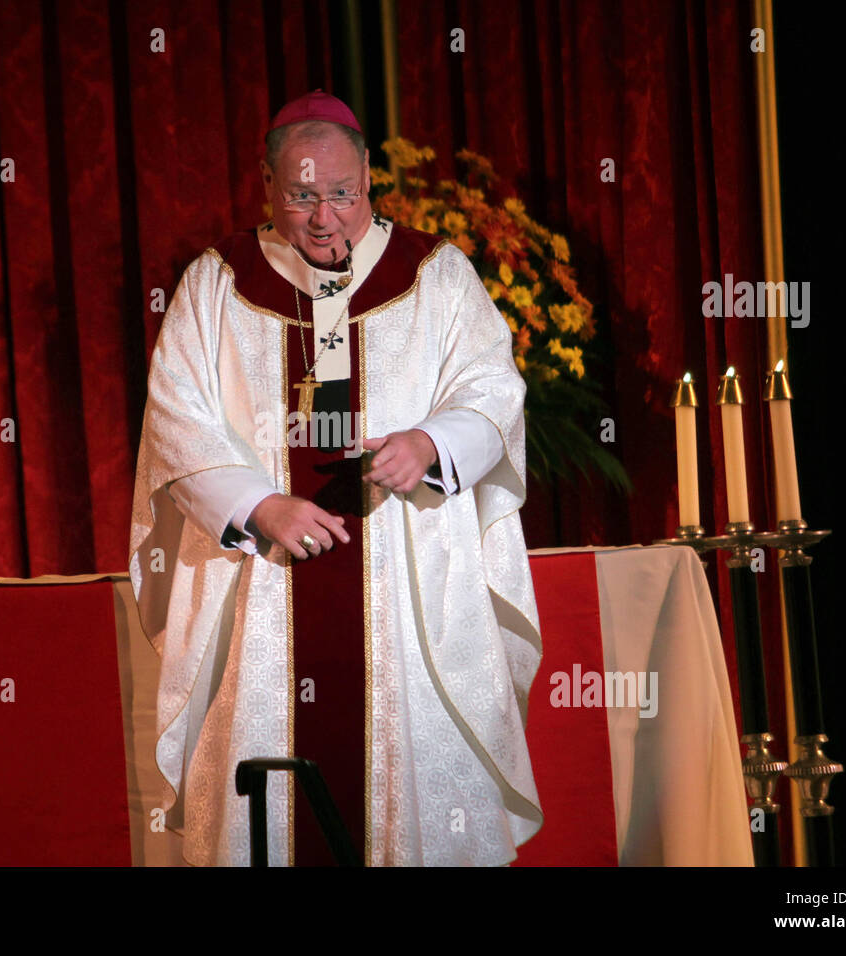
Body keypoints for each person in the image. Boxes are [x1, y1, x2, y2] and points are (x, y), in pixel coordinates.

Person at [130, 90, 544, 866]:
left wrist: (429, 442)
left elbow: (493, 389)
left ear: (369, 186)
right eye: (302, 196)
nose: (325, 218)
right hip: (267, 590)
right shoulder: (217, 284)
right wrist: (256, 505)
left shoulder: (435, 276)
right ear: (266, 186)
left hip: (407, 576)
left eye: (342, 195)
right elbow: (175, 417)